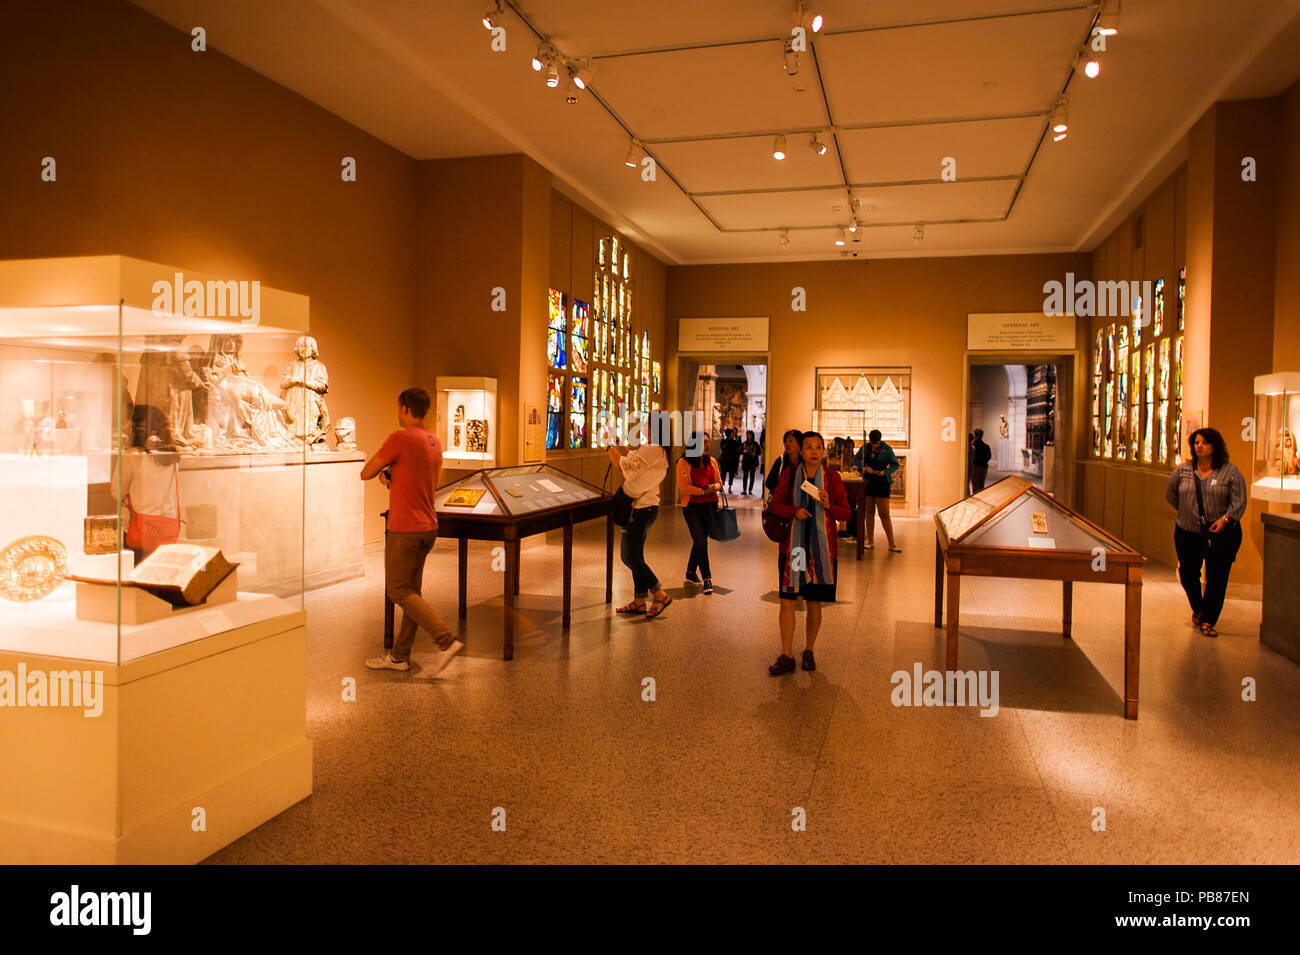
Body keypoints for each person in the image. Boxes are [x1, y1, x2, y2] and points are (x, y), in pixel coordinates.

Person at [362, 387, 462, 674]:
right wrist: (392, 478)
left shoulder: (400, 438)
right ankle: (399, 655)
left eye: (398, 407)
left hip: (404, 527)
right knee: (412, 592)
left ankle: (446, 639)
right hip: (428, 525)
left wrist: (385, 470)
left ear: (405, 408)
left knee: (398, 590)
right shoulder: (434, 441)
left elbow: (366, 472)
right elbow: (416, 480)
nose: (397, 413)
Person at [767, 431, 851, 675]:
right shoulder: (791, 474)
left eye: (818, 447)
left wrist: (828, 505)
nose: (814, 451)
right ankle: (787, 654)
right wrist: (794, 510)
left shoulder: (832, 478)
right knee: (788, 601)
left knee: (814, 603)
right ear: (801, 452)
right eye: (809, 447)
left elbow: (846, 513)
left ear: (823, 451)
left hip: (821, 552)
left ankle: (809, 650)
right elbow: (774, 505)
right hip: (795, 550)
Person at [1165, 427, 1247, 638]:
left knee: (1217, 577)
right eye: (1196, 442)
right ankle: (1199, 608)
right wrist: (1187, 513)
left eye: (1204, 442)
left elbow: (1238, 502)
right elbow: (1172, 495)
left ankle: (1208, 620)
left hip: (1218, 533)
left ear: (1215, 446)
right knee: (1187, 573)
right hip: (1187, 530)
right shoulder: (1182, 471)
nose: (1199, 446)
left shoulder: (1229, 472)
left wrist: (1225, 519)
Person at [609, 422, 672, 619]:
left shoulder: (652, 449)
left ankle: (659, 593)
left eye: (648, 424)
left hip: (640, 510)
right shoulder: (658, 450)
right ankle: (639, 600)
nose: (644, 427)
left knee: (628, 557)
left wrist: (609, 445)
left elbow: (621, 466)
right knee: (637, 555)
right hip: (646, 508)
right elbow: (632, 459)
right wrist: (619, 445)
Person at [677, 431, 722, 594]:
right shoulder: (683, 462)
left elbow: (719, 482)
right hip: (692, 508)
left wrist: (713, 488)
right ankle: (707, 579)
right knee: (701, 542)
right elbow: (685, 487)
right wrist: (703, 492)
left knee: (700, 540)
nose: (707, 445)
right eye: (703, 442)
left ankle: (690, 572)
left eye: (708, 442)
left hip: (710, 506)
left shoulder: (712, 461)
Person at [854, 429, 902, 552]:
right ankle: (870, 541)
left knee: (884, 514)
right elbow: (856, 459)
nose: (874, 445)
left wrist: (884, 472)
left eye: (876, 443)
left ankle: (892, 544)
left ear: (880, 441)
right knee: (869, 513)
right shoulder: (866, 447)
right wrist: (863, 468)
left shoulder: (887, 448)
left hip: (882, 483)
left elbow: (895, 464)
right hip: (868, 482)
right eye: (872, 443)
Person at [764, 429, 804, 500]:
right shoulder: (781, 460)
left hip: (799, 502)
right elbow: (769, 483)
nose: (787, 444)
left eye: (790, 441)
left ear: (799, 443)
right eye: (785, 442)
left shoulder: (804, 462)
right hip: (781, 502)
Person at [719, 427, 742, 493]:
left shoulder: (735, 442)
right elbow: (723, 449)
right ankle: (722, 486)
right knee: (723, 474)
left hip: (732, 461)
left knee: (731, 474)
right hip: (725, 460)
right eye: (732, 433)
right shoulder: (723, 441)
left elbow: (736, 451)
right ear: (729, 434)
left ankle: (730, 487)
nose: (733, 435)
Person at [970, 428, 992, 492]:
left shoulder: (973, 446)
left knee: (975, 487)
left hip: (975, 467)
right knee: (981, 486)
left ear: (975, 435)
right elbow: (989, 456)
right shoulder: (986, 446)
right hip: (984, 467)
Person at [740, 429, 761, 495]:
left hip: (753, 462)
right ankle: (744, 490)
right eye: (747, 434)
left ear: (752, 435)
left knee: (752, 476)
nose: (748, 436)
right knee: (745, 476)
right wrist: (743, 452)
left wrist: (754, 453)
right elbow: (740, 451)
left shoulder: (755, 444)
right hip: (746, 461)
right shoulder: (744, 443)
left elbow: (759, 452)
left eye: (749, 434)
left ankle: (750, 490)